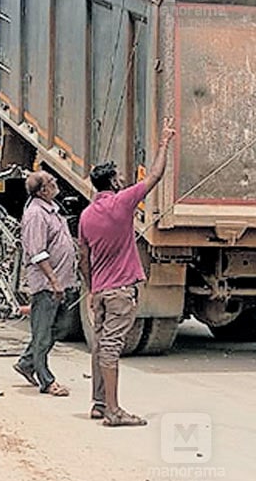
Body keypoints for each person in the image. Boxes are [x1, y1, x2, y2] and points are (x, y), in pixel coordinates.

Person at [78, 118, 176, 428]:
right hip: (121, 292)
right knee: (111, 349)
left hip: (102, 292)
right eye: (119, 176)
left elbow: (83, 256)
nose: (123, 179)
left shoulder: (86, 214)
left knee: (99, 345)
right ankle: (114, 411)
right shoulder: (122, 203)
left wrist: (91, 289)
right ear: (114, 183)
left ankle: (98, 403)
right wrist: (164, 143)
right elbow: (157, 175)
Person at [12, 171, 77, 397]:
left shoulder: (52, 210)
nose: (56, 183)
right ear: (42, 190)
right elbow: (37, 252)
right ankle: (46, 380)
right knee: (42, 333)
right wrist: (54, 280)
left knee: (60, 327)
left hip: (61, 282)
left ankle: (27, 363)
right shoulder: (35, 215)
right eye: (51, 182)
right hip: (48, 285)